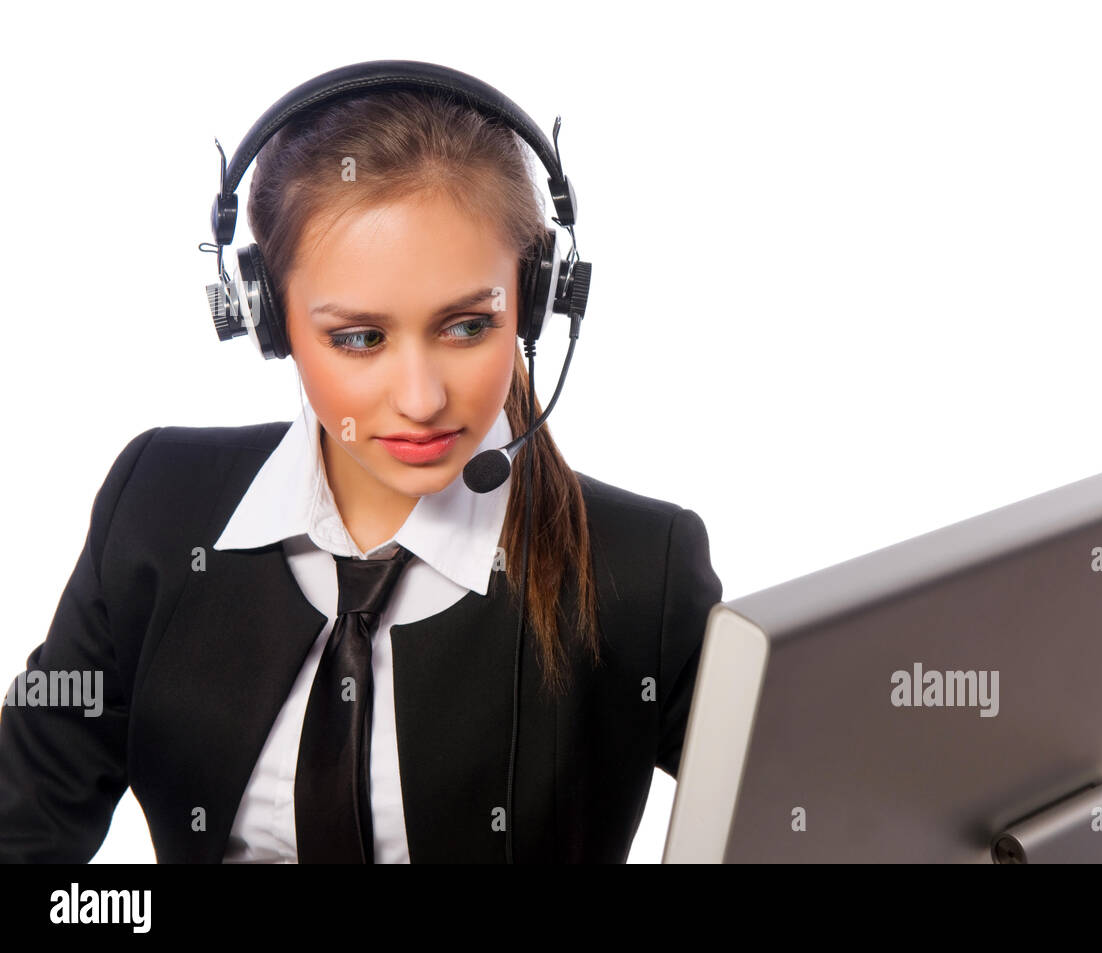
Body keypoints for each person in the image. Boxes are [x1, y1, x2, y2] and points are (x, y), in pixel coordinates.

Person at [0, 64, 723, 863]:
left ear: (535, 299)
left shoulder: (639, 570)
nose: (420, 399)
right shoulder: (159, 507)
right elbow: (24, 833)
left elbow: (810, 806)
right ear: (269, 321)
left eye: (466, 326)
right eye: (359, 338)